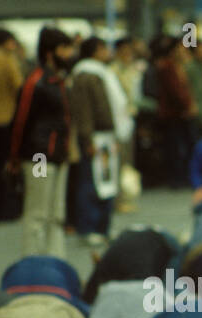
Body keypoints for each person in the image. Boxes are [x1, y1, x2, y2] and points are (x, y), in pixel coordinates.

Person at [7, 27, 74, 258]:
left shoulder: (57, 81)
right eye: (64, 48)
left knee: (56, 213)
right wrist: (14, 157)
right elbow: (21, 121)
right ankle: (33, 261)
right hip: (39, 155)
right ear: (49, 52)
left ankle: (56, 260)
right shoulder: (36, 82)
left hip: (56, 154)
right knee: (38, 212)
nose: (69, 54)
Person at [69, 37, 127, 252]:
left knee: (107, 181)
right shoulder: (85, 75)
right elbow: (83, 111)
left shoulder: (102, 73)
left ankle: (103, 226)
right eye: (103, 48)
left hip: (107, 135)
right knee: (90, 182)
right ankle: (88, 227)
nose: (107, 52)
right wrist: (87, 137)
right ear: (94, 51)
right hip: (94, 136)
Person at [153, 36, 197, 188]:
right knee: (175, 147)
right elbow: (175, 91)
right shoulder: (167, 67)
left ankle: (183, 175)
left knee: (183, 145)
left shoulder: (181, 66)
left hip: (181, 114)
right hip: (173, 114)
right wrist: (187, 106)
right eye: (180, 48)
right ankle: (176, 178)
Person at [0, 28, 23, 221]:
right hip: (6, 119)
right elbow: (19, 87)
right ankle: (7, 209)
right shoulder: (7, 60)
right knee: (7, 165)